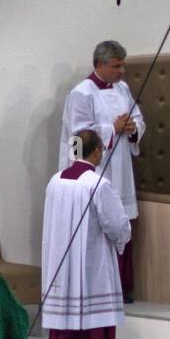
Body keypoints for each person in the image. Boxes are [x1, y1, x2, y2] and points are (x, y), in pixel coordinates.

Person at [42, 130, 131, 339]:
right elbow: (117, 225)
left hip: (60, 267)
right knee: (92, 330)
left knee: (66, 330)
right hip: (91, 270)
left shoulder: (55, 181)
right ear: (96, 152)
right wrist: (123, 238)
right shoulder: (97, 184)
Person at [58, 40, 145, 302]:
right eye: (116, 66)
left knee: (120, 220)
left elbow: (138, 117)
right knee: (99, 223)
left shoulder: (123, 88)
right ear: (99, 64)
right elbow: (77, 137)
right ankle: (99, 288)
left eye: (122, 66)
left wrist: (133, 128)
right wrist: (112, 129)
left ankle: (122, 285)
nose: (122, 71)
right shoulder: (81, 94)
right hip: (95, 170)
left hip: (121, 165)